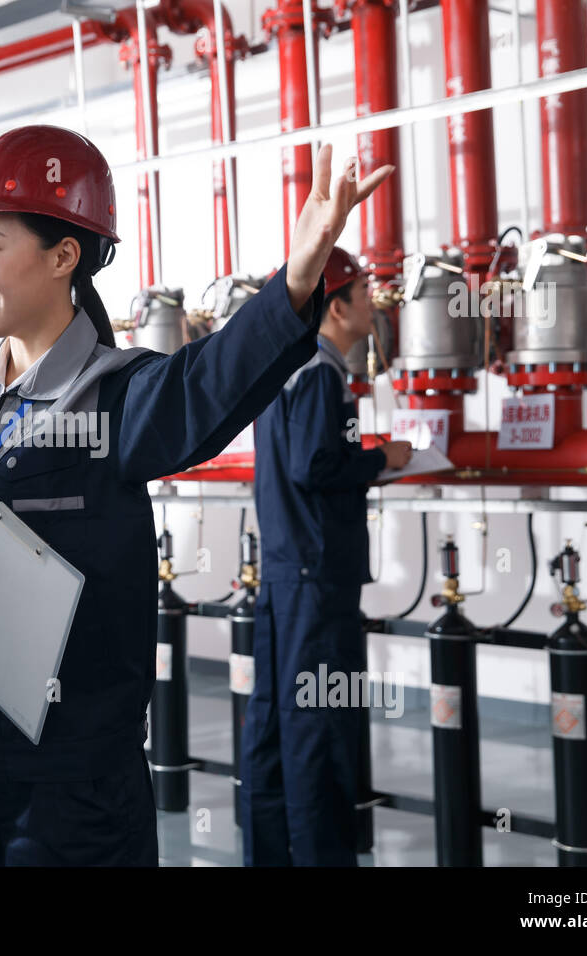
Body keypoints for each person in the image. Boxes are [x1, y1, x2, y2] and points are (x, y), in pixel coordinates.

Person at [0, 125, 392, 866]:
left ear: (64, 255)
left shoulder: (119, 396)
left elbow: (213, 381)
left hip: (77, 785)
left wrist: (297, 279)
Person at [240, 246, 413, 866]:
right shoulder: (322, 371)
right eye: (366, 294)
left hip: (288, 571)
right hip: (317, 577)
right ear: (335, 305)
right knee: (319, 724)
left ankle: (270, 855)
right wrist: (381, 459)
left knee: (272, 719)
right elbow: (316, 465)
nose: (374, 305)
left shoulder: (284, 369)